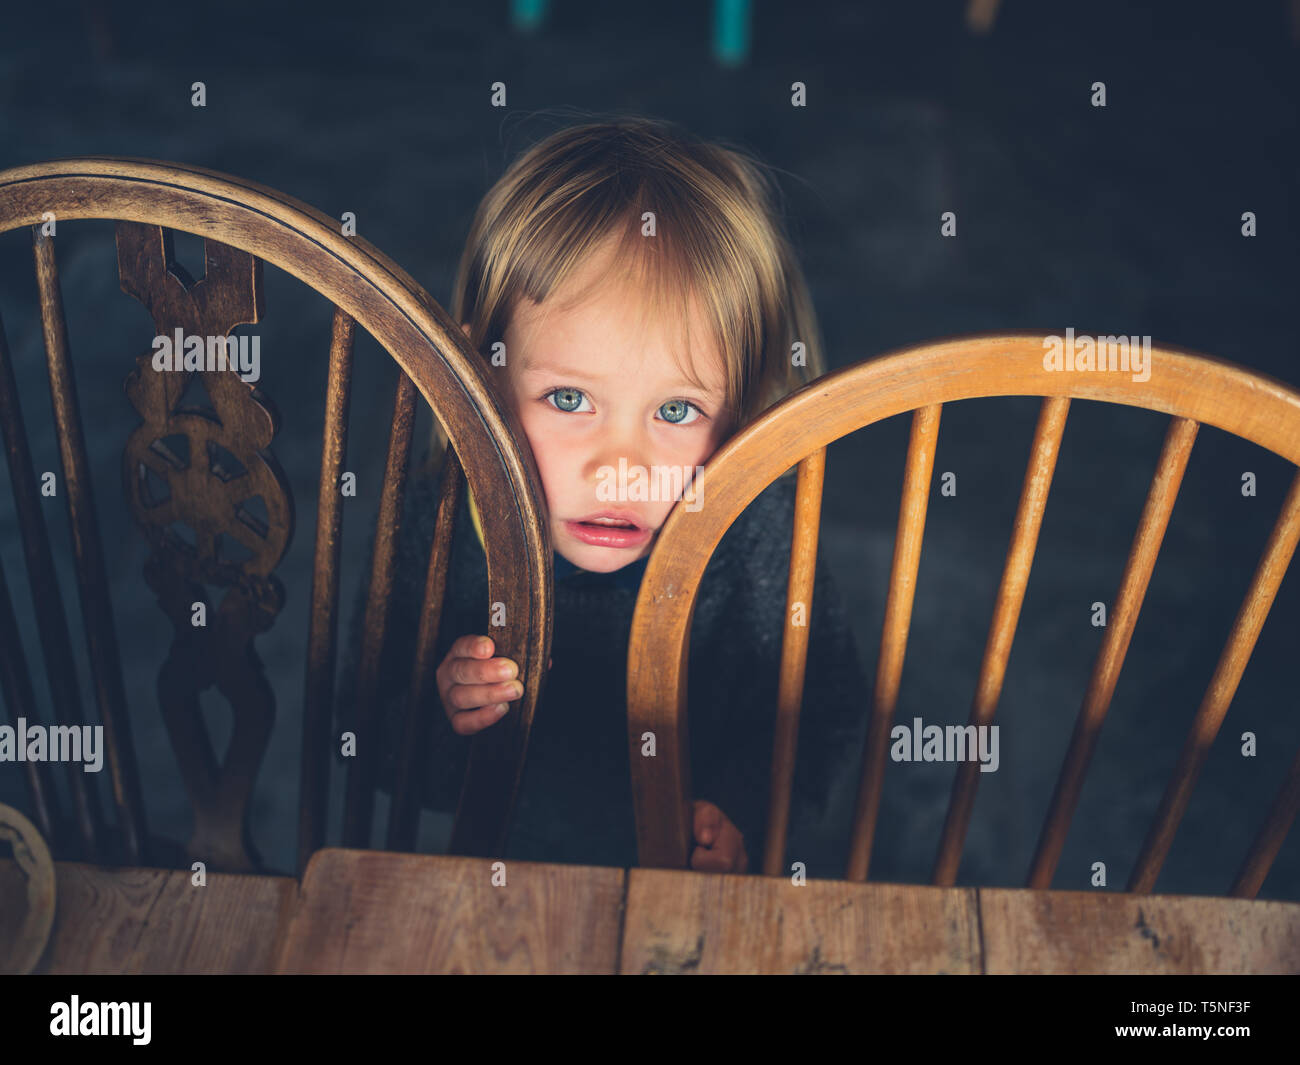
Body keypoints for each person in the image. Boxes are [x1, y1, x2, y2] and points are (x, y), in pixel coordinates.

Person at [340, 115, 869, 877]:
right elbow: (361, 737)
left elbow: (820, 713)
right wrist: (444, 720)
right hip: (497, 900)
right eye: (568, 399)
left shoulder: (758, 538)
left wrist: (740, 811)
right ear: (479, 378)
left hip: (688, 908)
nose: (620, 463)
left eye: (676, 410)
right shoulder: (436, 522)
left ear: (742, 409)